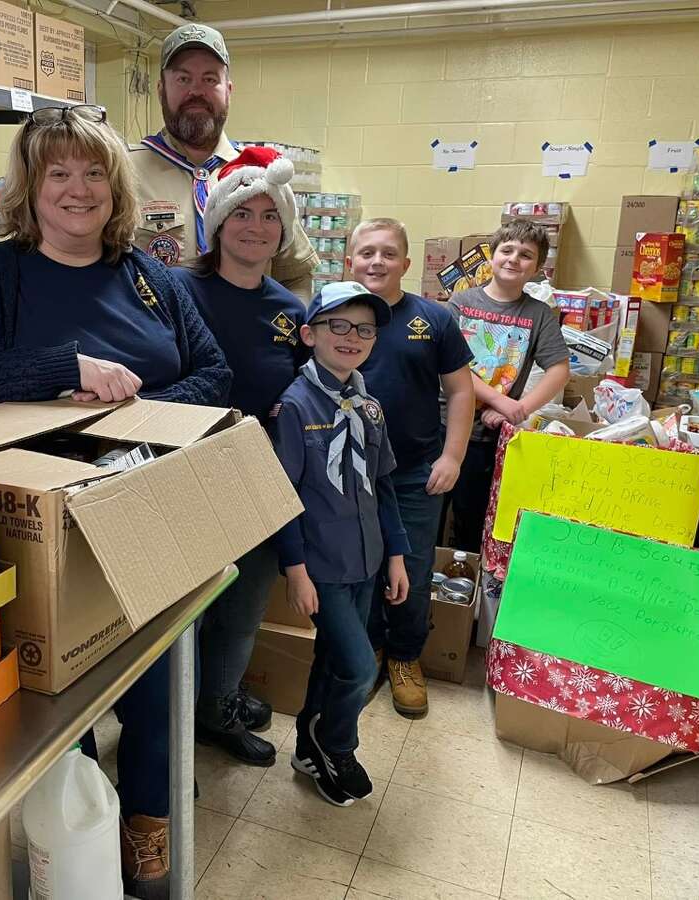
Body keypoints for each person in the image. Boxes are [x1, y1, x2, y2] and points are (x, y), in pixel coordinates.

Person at [0, 104, 229, 898]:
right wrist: (64, 370)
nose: (78, 188)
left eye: (94, 172)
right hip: (39, 521)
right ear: (30, 186)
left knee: (164, 678)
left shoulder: (151, 277)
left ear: (115, 187)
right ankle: (79, 825)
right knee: (63, 692)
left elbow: (214, 373)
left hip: (152, 503)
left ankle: (149, 823)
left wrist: (137, 421)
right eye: (57, 172)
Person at [169, 145, 305, 767]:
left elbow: (305, 391)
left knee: (245, 606)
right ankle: (177, 715)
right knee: (187, 613)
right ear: (219, 223)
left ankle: (218, 704)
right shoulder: (179, 290)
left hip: (260, 478)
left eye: (270, 215)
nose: (256, 226)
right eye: (243, 213)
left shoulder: (291, 311)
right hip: (188, 475)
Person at [271, 281, 410, 807]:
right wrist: (295, 569)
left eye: (365, 330)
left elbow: (383, 484)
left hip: (367, 559)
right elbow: (281, 496)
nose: (352, 337)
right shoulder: (294, 406)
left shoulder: (368, 405)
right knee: (359, 666)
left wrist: (395, 555)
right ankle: (337, 744)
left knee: (333, 659)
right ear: (310, 334)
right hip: (322, 565)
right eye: (339, 325)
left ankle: (308, 747)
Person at [346, 219, 475, 719]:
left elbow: (460, 391)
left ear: (406, 263)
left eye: (388, 253)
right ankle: (368, 653)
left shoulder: (434, 319)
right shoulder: (337, 316)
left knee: (413, 571)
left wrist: (452, 456)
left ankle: (404, 657)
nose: (376, 262)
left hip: (416, 472)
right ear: (350, 261)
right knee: (359, 567)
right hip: (349, 471)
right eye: (367, 253)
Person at [130, 22, 317, 297]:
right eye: (183, 79)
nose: (196, 91)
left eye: (210, 79)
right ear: (160, 90)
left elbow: (296, 274)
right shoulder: (124, 172)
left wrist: (282, 323)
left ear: (228, 90)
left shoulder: (260, 172)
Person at [447, 220, 570, 553]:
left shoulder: (539, 314)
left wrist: (519, 409)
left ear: (538, 268)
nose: (514, 259)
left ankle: (465, 579)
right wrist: (499, 400)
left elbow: (559, 370)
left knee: (472, 520)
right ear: (492, 255)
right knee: (430, 514)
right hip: (443, 426)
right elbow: (450, 366)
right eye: (507, 250)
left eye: (526, 255)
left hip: (486, 438)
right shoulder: (461, 303)